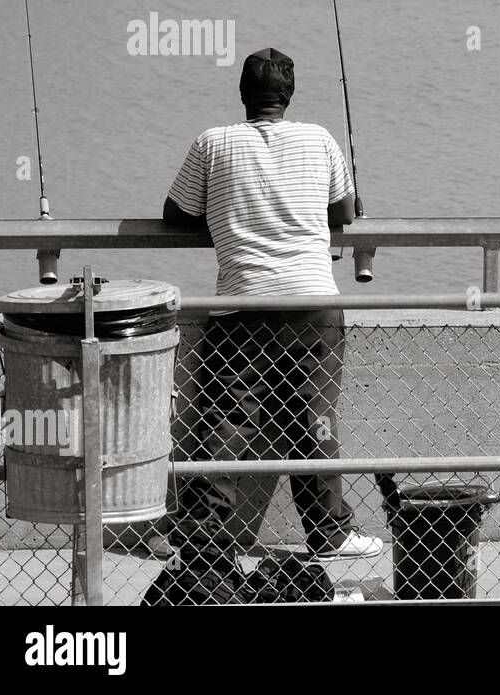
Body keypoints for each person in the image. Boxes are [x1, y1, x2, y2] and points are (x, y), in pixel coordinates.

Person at [161, 46, 382, 562]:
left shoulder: (212, 143)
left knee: (226, 418)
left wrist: (225, 212)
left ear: (242, 94)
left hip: (243, 306)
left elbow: (175, 213)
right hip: (313, 306)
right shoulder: (320, 138)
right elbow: (345, 210)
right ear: (289, 95)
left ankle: (203, 532)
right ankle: (330, 533)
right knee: (313, 419)